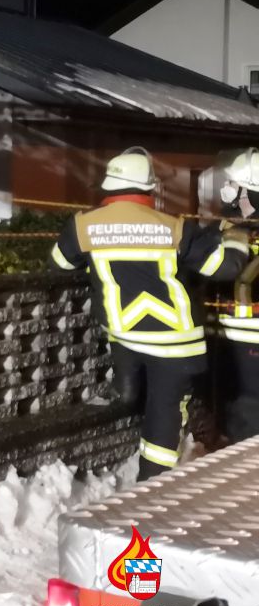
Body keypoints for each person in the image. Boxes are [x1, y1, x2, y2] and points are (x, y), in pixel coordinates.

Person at [50, 147, 249, 479]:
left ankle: (127, 392)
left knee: (137, 394)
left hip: (124, 337)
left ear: (109, 185)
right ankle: (152, 484)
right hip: (174, 343)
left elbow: (59, 263)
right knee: (165, 413)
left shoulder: (81, 225)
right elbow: (225, 267)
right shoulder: (175, 228)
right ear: (148, 188)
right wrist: (236, 236)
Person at [214, 149, 259, 441]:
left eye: (235, 186)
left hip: (248, 342)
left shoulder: (240, 233)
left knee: (247, 419)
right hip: (242, 338)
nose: (228, 192)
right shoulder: (237, 229)